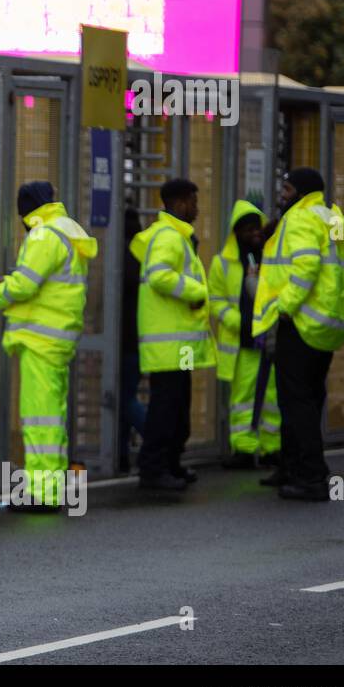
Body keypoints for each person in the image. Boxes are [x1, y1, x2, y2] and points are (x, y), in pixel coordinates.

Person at [252, 168, 344, 501]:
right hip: (327, 326)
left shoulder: (300, 219)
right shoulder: (334, 219)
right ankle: (292, 466)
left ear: (301, 191)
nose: (282, 195)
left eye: (287, 189)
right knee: (309, 397)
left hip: (300, 322)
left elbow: (306, 267)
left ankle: (312, 477)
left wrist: (285, 306)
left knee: (296, 400)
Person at [0, 182, 96, 511]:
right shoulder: (67, 233)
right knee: (52, 419)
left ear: (27, 212)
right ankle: (54, 487)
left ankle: (42, 494)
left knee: (39, 420)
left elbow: (25, 283)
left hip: (39, 340)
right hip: (57, 341)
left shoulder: (43, 235)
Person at [129, 178, 216, 491]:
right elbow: (159, 275)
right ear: (179, 203)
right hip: (170, 343)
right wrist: (196, 291)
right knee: (166, 406)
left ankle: (171, 463)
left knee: (178, 406)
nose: (197, 208)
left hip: (182, 343)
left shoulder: (178, 237)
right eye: (193, 201)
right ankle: (154, 469)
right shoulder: (169, 237)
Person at [208, 201, 280, 469]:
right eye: (247, 229)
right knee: (243, 399)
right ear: (235, 232)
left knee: (273, 397)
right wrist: (238, 322)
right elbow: (215, 299)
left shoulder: (270, 257)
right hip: (243, 342)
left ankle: (273, 448)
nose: (253, 233)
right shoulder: (222, 263)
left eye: (256, 228)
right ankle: (244, 450)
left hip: (269, 338)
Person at [118, 207, 148, 473]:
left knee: (123, 399)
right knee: (123, 397)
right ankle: (120, 455)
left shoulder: (118, 258)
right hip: (141, 337)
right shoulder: (143, 254)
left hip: (123, 340)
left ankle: (157, 437)